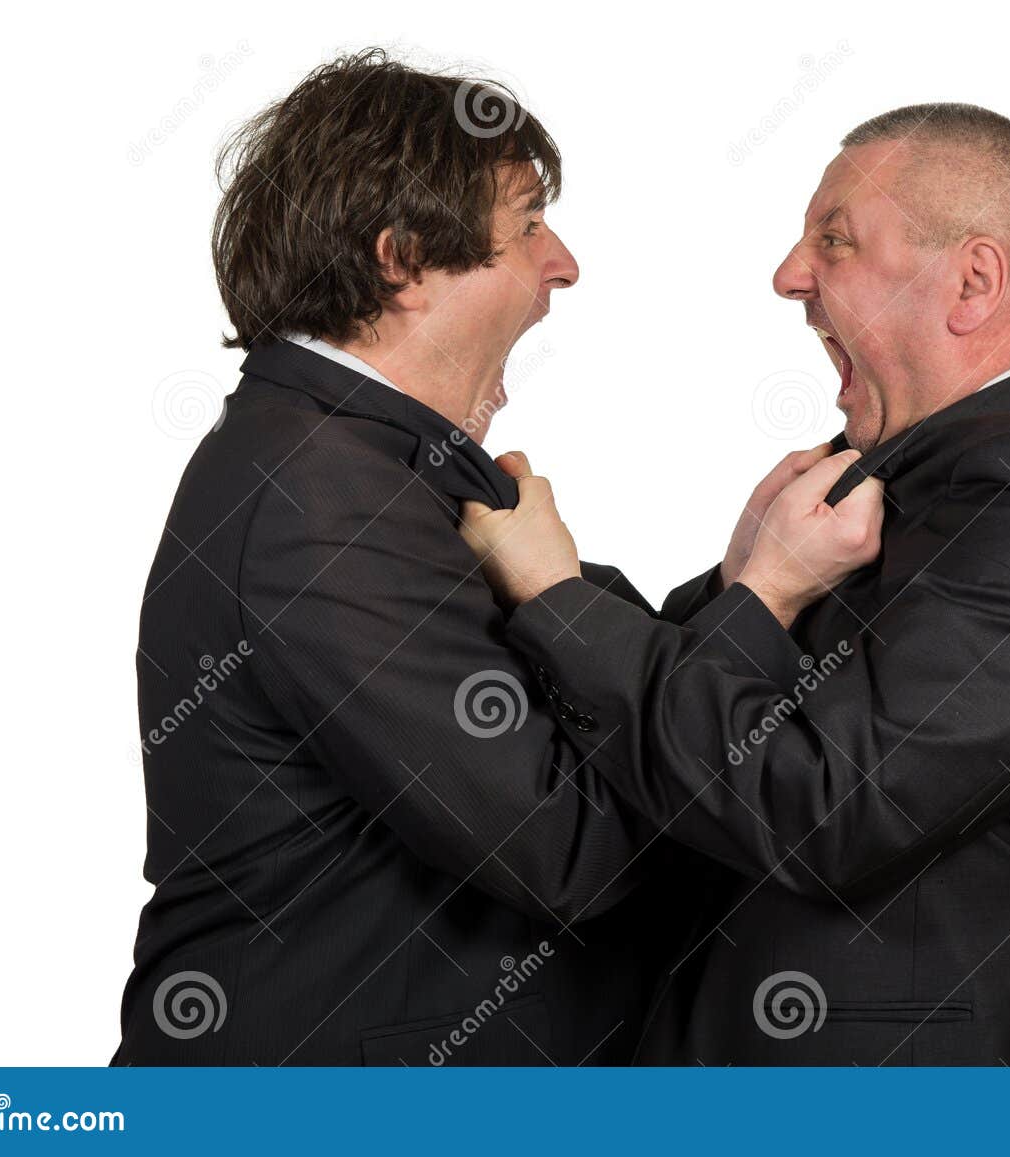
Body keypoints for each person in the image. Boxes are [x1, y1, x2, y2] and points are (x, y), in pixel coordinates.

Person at [112, 49, 881, 1066]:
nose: (560, 262)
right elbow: (572, 846)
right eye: (525, 224)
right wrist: (767, 600)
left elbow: (573, 717)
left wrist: (740, 583)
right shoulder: (318, 495)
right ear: (399, 261)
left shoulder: (362, 460)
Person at [463, 103, 1010, 1065]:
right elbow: (742, 727)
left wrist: (557, 603)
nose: (789, 274)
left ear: (973, 282)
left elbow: (824, 804)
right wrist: (751, 586)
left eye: (835, 240)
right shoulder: (965, 460)